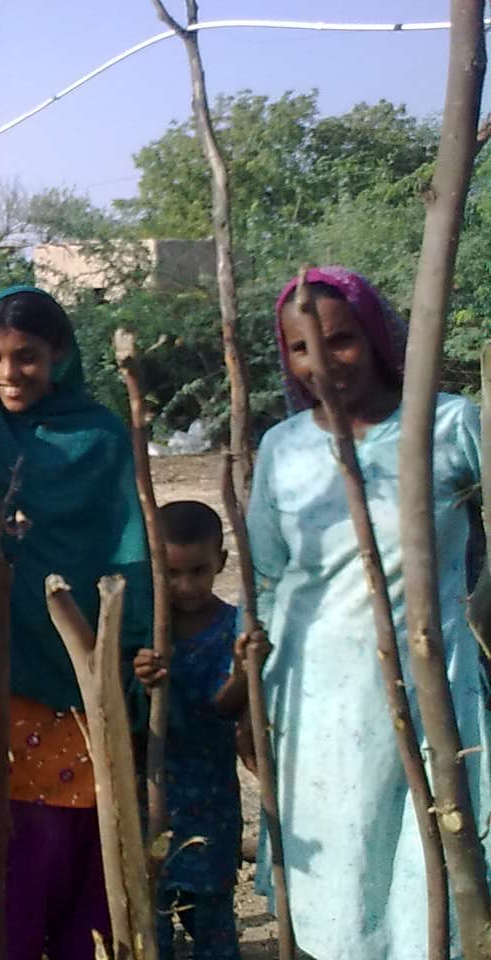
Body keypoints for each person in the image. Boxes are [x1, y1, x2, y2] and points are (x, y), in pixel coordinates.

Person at [248, 266, 491, 959]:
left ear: (377, 337)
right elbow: (267, 580)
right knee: (342, 876)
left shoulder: (448, 426)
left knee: (432, 866)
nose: (323, 362)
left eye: (341, 339)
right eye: (301, 348)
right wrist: (252, 698)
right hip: (317, 697)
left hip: (432, 686)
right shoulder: (283, 449)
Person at [0, 284, 153, 960]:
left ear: (59, 353)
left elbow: (127, 546)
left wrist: (133, 647)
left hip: (86, 660)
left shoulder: (102, 436)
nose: (7, 374)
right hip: (3, 663)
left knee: (85, 827)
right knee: (20, 838)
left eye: (25, 357)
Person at [134, 500, 268, 960]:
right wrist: (141, 677)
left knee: (212, 920)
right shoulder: (144, 628)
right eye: (172, 573)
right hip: (149, 799)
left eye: (199, 571)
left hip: (210, 801)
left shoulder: (232, 627)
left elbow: (225, 709)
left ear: (221, 564)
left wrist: (243, 671)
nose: (186, 586)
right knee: (152, 922)